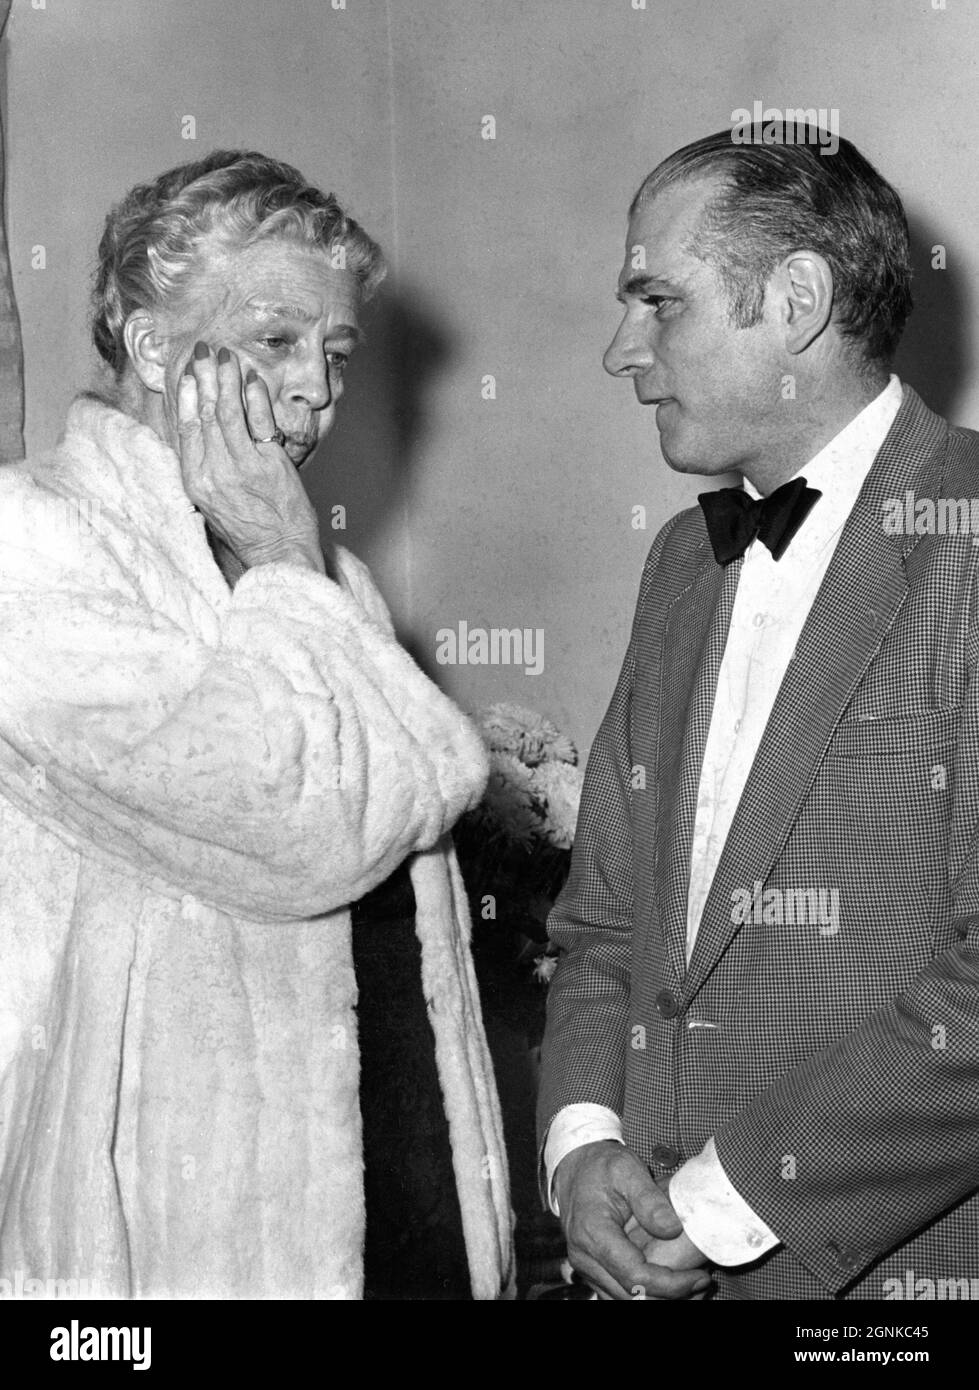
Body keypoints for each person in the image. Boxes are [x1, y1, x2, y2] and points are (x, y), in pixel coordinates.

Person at [0, 150, 513, 1300]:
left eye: (336, 353)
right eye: (276, 339)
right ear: (149, 347)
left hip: (402, 1183)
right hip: (173, 1228)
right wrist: (289, 562)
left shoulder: (325, 575)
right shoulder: (30, 540)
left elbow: (432, 800)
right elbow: (293, 826)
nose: (316, 390)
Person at [538, 125, 979, 1300]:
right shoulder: (682, 563)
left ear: (795, 302)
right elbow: (603, 924)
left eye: (657, 301)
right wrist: (581, 1146)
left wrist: (722, 1203)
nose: (620, 349)